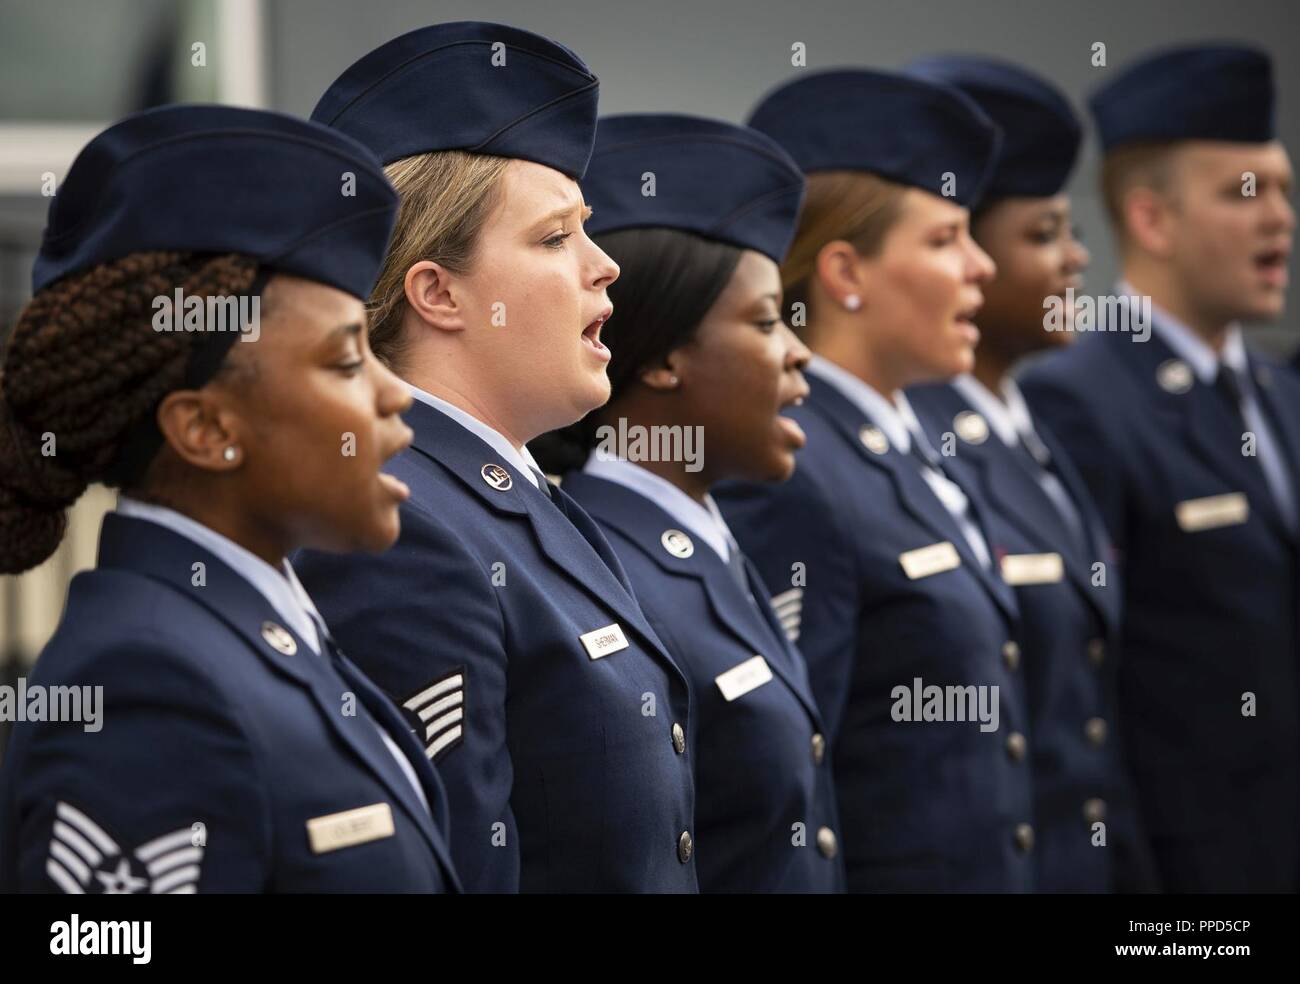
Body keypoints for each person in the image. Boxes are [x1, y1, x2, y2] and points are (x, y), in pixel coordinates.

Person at [0, 105, 460, 893]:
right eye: (347, 362)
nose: (396, 395)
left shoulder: (261, 632)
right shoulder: (147, 684)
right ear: (206, 429)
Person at [294, 23, 697, 893]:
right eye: (556, 238)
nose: (606, 266)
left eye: (587, 232)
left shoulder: (515, 498)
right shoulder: (407, 524)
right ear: (437, 291)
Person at [714, 69, 1039, 892]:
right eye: (942, 241)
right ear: (845, 274)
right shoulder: (794, 465)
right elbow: (791, 769)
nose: (981, 268)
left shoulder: (916, 440)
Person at [532, 113, 844, 892]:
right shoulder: (604, 561)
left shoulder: (705, 539)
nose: (800, 352)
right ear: (667, 356)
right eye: (767, 322)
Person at [1020, 43, 1300, 892]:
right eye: (1245, 193)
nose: (1279, 217)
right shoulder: (1080, 398)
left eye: (1284, 190)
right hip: (1187, 872)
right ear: (1152, 220)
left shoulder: (1283, 393)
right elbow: (1084, 680)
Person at [903, 55, 1157, 892]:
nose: (1078, 259)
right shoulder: (922, 444)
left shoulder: (1034, 426)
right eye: (1043, 234)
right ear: (966, 249)